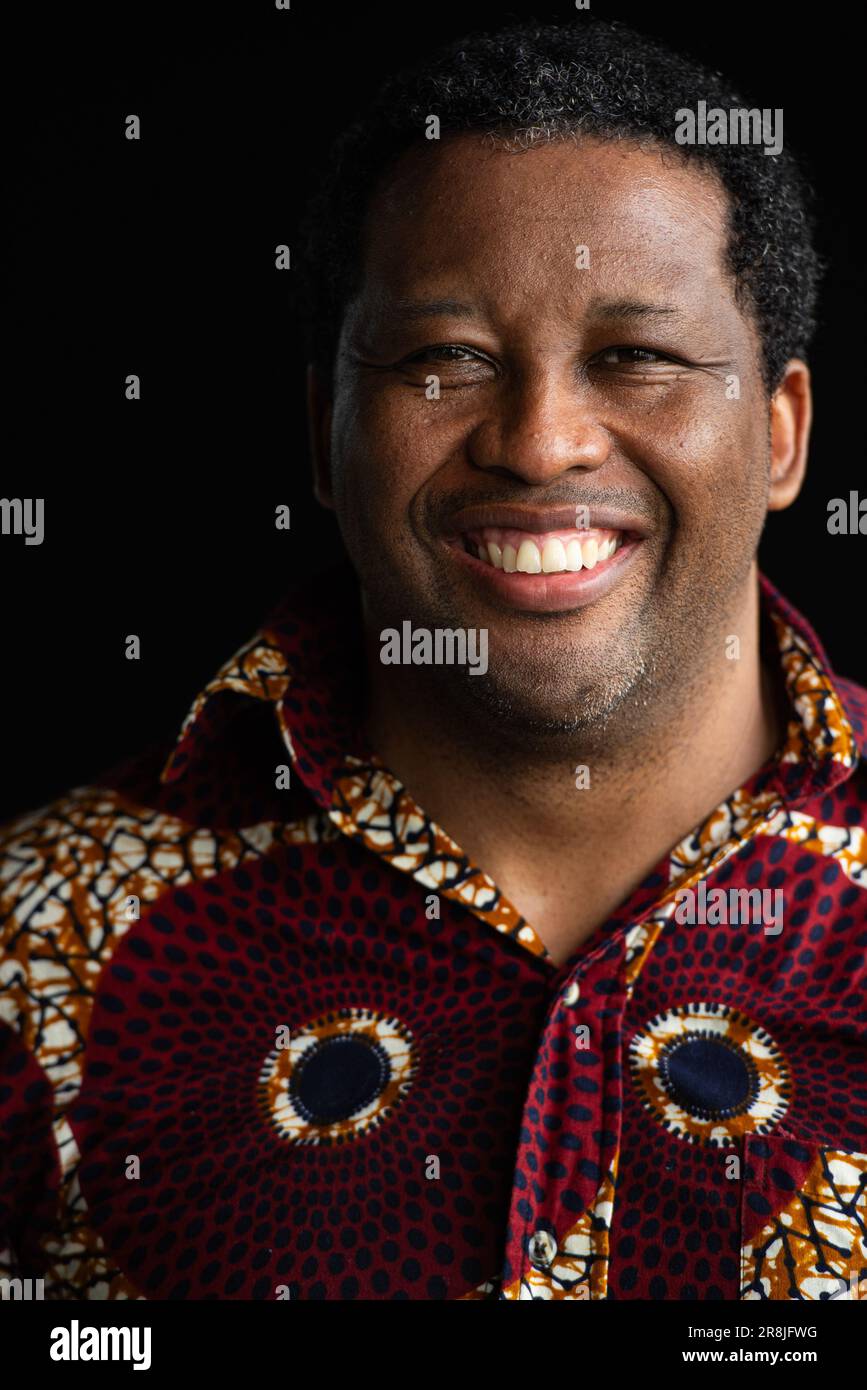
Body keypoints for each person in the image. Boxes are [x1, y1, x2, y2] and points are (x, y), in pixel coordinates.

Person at [1, 18, 865, 1302]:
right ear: (323, 430)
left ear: (783, 435)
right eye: (444, 361)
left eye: (637, 357)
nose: (540, 441)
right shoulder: (36, 945)